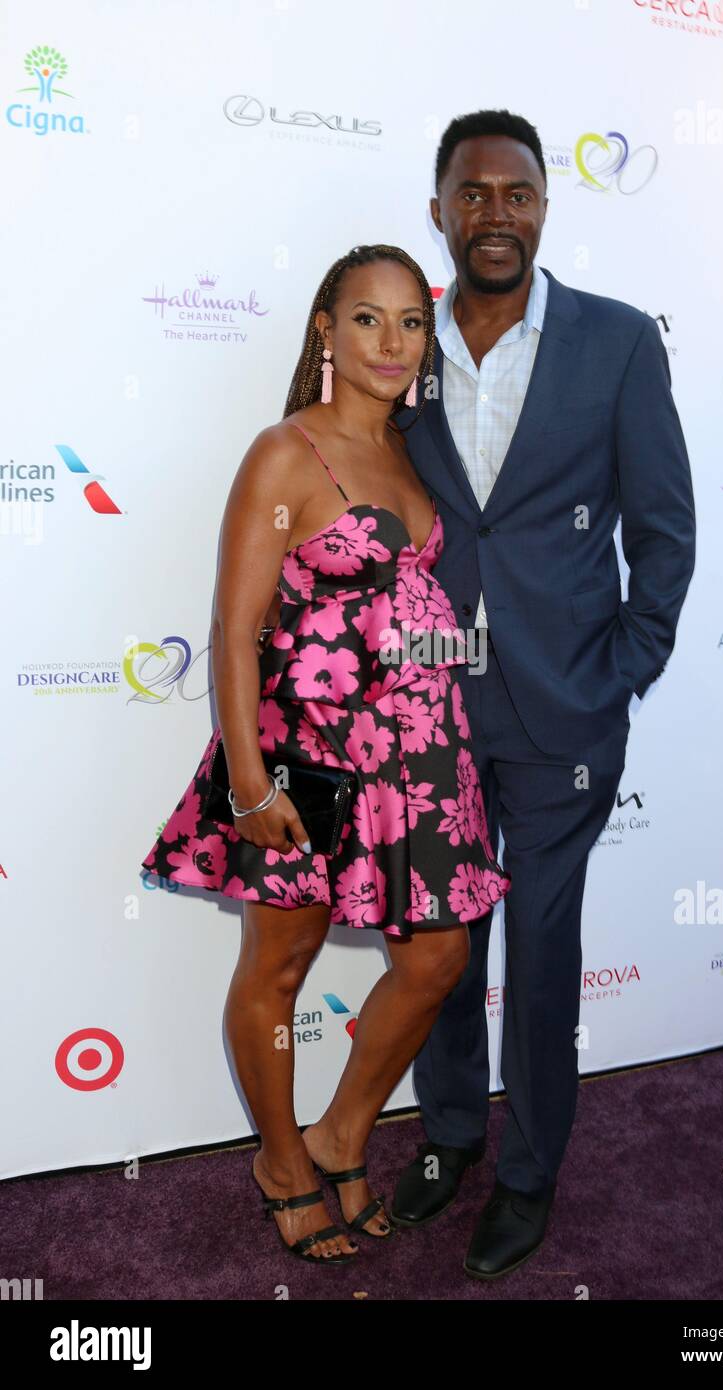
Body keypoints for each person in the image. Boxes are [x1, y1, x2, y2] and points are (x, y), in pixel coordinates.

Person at [141, 245, 511, 1267]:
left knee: (437, 956)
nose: (390, 343)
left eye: (409, 322)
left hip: (421, 767)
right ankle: (280, 1161)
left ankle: (340, 1131)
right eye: (366, 320)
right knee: (281, 964)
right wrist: (249, 783)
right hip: (309, 764)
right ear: (324, 330)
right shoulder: (285, 453)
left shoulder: (410, 449)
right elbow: (237, 625)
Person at [389, 110, 697, 1280]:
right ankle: (452, 1136)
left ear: (543, 209)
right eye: (470, 195)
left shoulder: (614, 342)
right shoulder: (399, 340)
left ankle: (529, 1171)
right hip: (429, 708)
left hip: (564, 709)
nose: (493, 215)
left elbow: (662, 526)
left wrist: (626, 663)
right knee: (441, 943)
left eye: (514, 194)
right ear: (440, 211)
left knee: (544, 945)